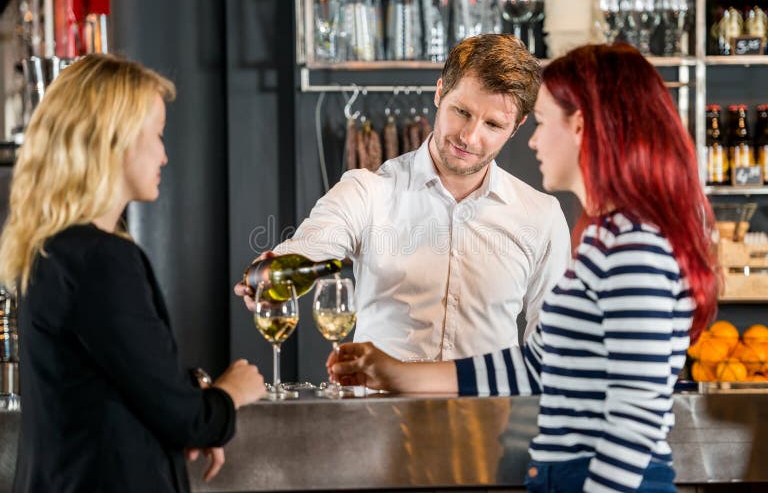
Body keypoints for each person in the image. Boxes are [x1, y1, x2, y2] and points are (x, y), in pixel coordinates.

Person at [329, 43, 719, 492]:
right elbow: (538, 365)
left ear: (580, 127)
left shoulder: (633, 247)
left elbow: (636, 419)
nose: (531, 139)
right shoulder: (605, 239)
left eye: (541, 122)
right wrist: (397, 372)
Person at [0, 54, 267, 493]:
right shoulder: (101, 260)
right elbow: (188, 421)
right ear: (115, 140)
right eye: (157, 135)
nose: (164, 154)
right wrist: (231, 393)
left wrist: (194, 395)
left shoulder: (54, 249)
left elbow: (120, 380)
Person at [235, 34, 571, 361]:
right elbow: (309, 248)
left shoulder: (541, 216)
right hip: (381, 414)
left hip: (489, 414)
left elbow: (554, 346)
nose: (470, 136)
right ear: (440, 92)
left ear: (517, 127)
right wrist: (273, 269)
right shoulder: (367, 192)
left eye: (493, 125)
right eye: (462, 112)